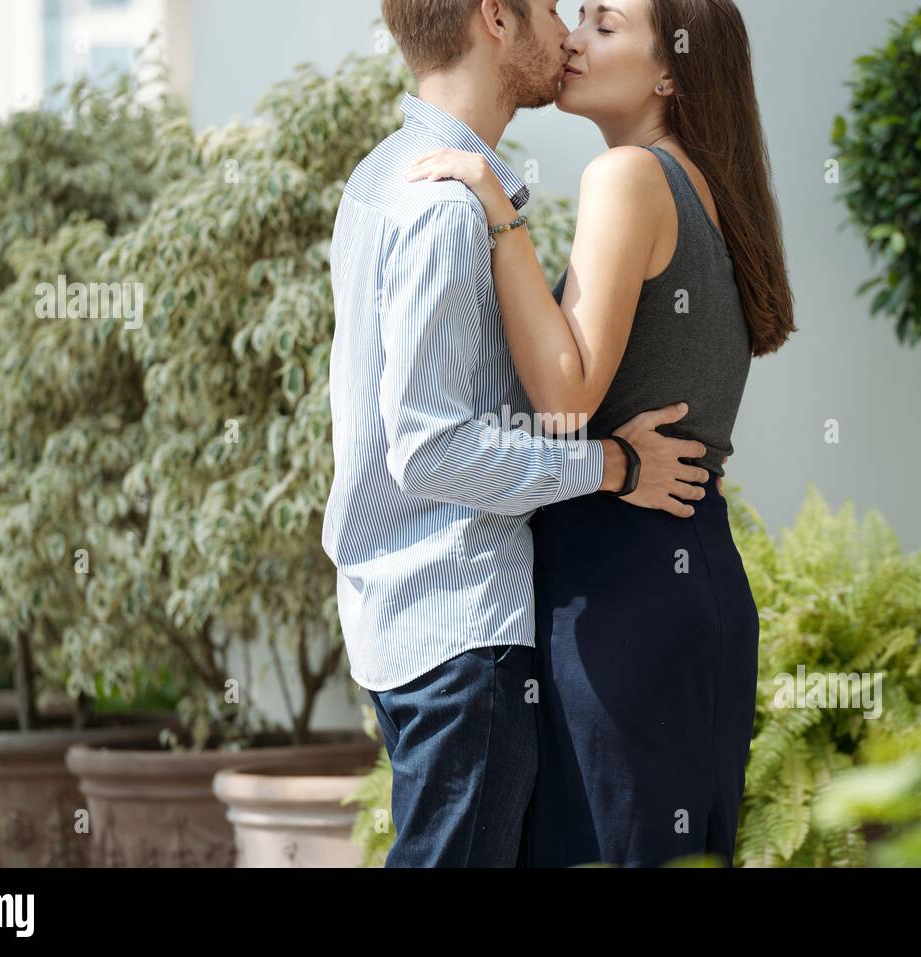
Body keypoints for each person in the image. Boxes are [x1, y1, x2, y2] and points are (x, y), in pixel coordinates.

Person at [403, 0, 796, 865]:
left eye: (606, 25)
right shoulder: (708, 188)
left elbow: (567, 400)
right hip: (696, 584)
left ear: (671, 70)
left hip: (615, 593)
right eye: (579, 18)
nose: (574, 38)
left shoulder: (628, 178)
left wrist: (494, 205)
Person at [322, 0, 713, 867]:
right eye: (548, 9)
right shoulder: (445, 212)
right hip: (461, 624)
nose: (568, 30)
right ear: (496, 18)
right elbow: (429, 449)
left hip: (405, 615)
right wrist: (610, 464)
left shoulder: (383, 178)